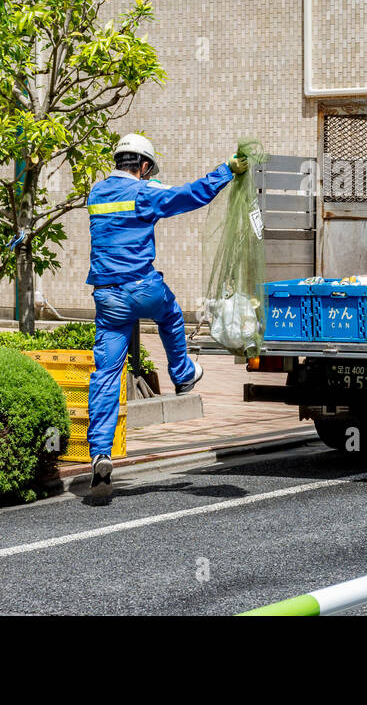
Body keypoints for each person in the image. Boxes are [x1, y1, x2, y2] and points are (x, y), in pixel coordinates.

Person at [85, 133, 249, 494]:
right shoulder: (145, 194)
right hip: (142, 287)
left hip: (108, 296)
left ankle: (99, 453)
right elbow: (188, 195)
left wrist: (152, 186)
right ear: (143, 165)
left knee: (107, 375)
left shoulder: (96, 194)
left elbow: (134, 196)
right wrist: (226, 170)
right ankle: (183, 374)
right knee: (171, 315)